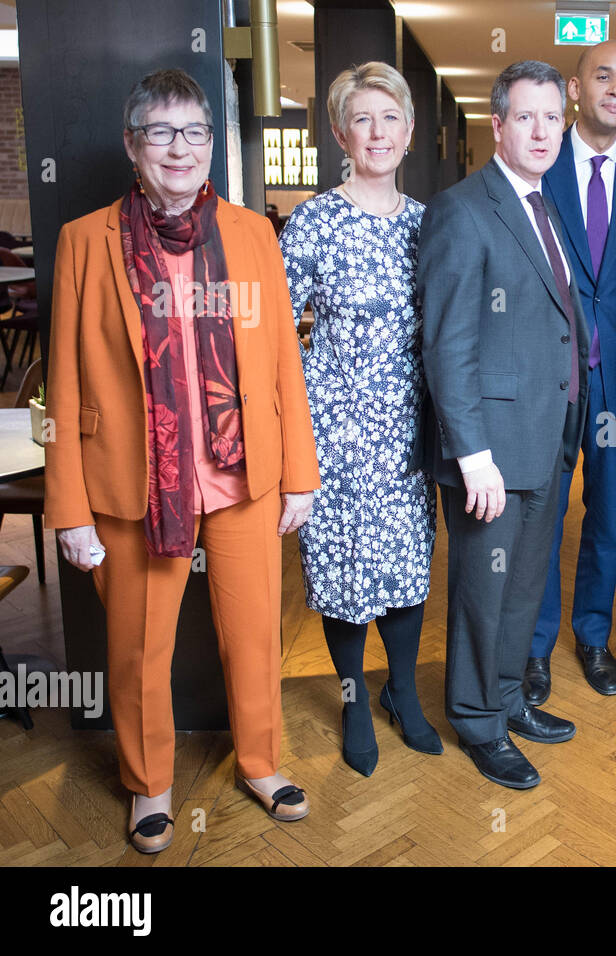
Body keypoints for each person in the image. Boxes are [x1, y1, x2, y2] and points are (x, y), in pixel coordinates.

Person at [45, 68, 321, 854]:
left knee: (254, 633)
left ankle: (262, 764)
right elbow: (62, 385)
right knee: (137, 651)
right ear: (133, 145)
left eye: (195, 132)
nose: (180, 148)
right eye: (160, 132)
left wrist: (300, 471)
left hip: (242, 476)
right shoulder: (83, 242)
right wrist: (67, 508)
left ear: (213, 144)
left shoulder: (252, 234)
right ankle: (149, 786)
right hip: (132, 486)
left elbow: (281, 369)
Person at [417, 60, 589, 790]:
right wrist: (472, 453)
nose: (543, 130)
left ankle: (511, 697)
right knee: (485, 590)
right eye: (527, 116)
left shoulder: (544, 206)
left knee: (523, 583)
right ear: (499, 124)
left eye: (554, 117)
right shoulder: (463, 208)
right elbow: (446, 342)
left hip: (547, 437)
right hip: (490, 447)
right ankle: (478, 720)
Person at [279, 62, 440, 778]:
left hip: (409, 425)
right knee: (344, 573)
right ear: (343, 132)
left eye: (390, 118)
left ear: (409, 132)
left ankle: (402, 692)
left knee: (406, 567)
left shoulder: (429, 224)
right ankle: (352, 698)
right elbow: (276, 330)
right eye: (362, 119)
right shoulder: (317, 217)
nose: (377, 132)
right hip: (336, 428)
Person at [524, 39, 616, 705]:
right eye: (602, 75)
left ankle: (591, 634)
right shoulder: (538, 164)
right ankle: (532, 646)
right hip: (548, 375)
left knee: (607, 514)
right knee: (542, 515)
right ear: (576, 89)